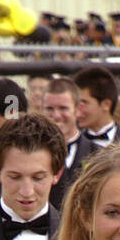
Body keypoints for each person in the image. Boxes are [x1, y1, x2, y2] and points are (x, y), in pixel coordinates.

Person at [44, 77, 96, 212]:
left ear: (78, 109)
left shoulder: (98, 154)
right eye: (50, 109)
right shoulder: (32, 153)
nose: (56, 115)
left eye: (63, 108)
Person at [74, 66, 120, 148]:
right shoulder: (71, 145)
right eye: (76, 103)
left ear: (106, 105)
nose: (78, 110)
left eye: (84, 102)